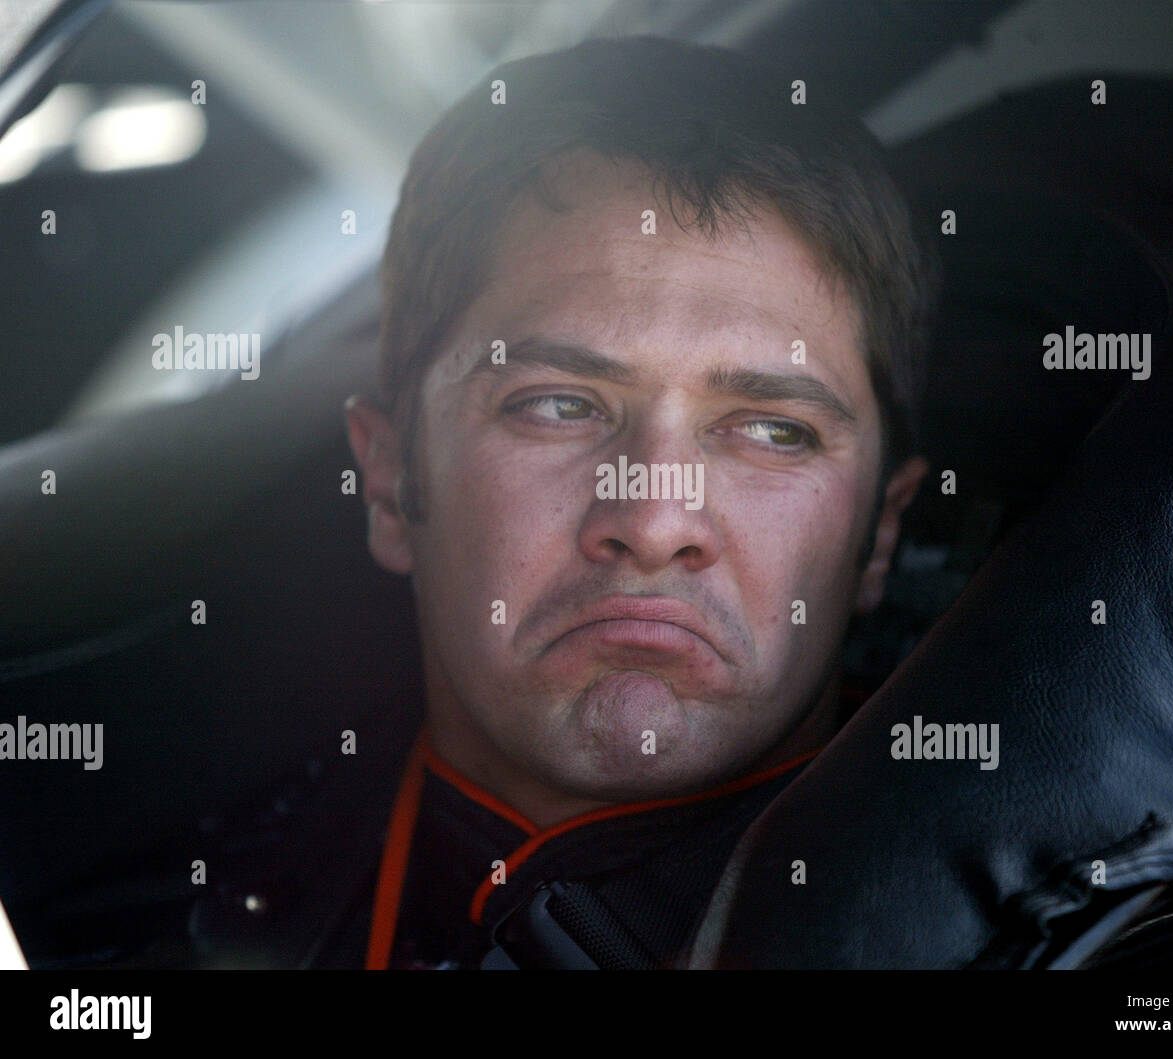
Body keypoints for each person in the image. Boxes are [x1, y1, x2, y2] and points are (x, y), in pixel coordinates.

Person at [338, 33, 937, 969]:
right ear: (387, 482)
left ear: (881, 532)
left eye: (774, 430)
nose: (655, 522)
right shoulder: (155, 891)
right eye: (558, 406)